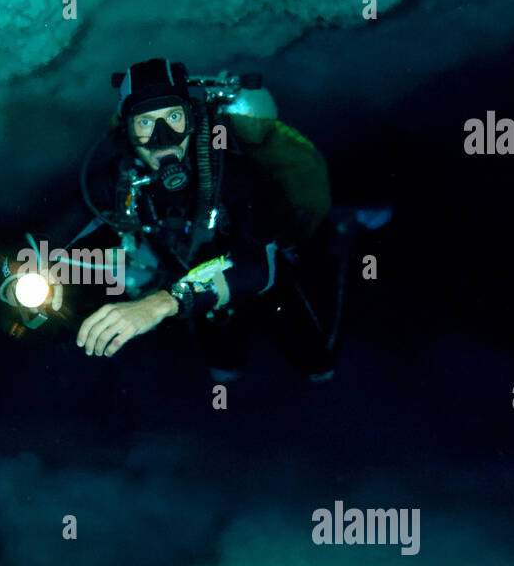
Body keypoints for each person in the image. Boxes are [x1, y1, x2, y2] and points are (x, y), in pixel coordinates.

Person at [35, 57, 354, 382]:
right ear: (127, 130)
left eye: (173, 117)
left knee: (319, 365)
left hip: (264, 284)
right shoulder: (113, 182)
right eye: (145, 123)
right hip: (198, 286)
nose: (162, 138)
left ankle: (341, 232)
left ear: (192, 118)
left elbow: (260, 268)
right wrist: (27, 273)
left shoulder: (237, 176)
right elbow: (46, 239)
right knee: (223, 369)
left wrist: (161, 303)